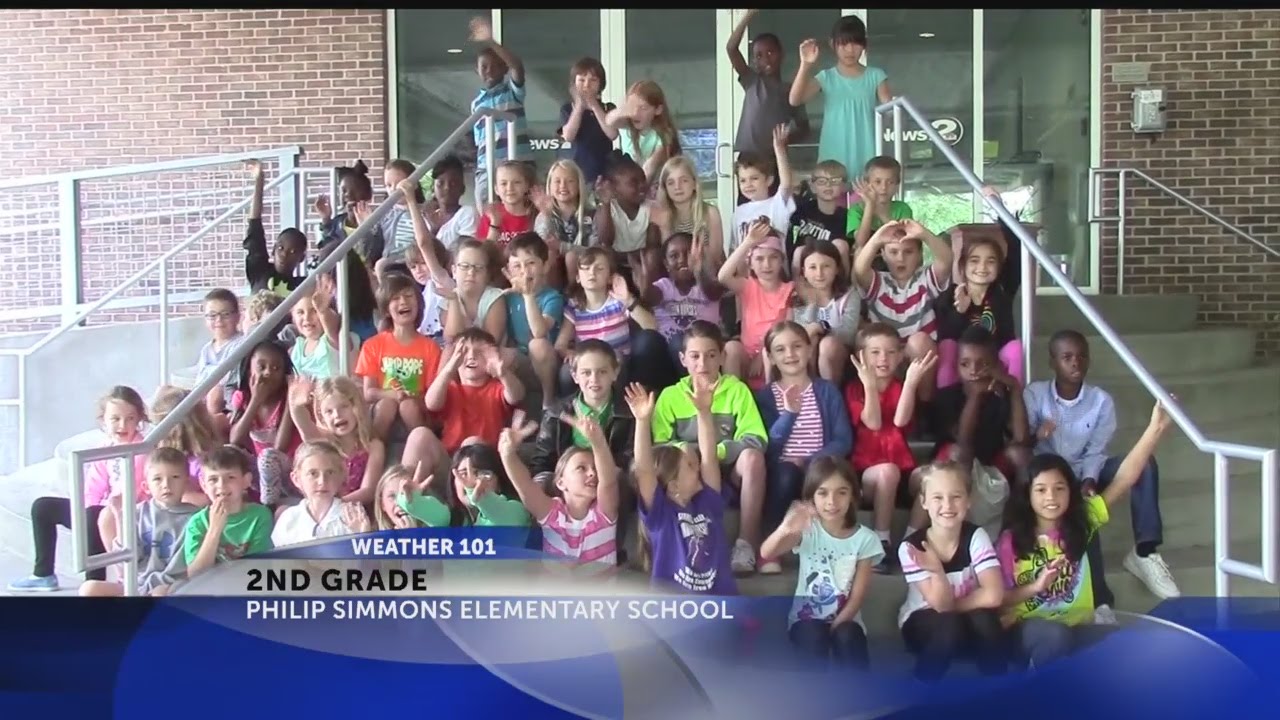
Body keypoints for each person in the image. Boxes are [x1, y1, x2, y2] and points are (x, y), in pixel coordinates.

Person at [998, 401, 1172, 667]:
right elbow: (1000, 599)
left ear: (1071, 492)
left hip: (1077, 627)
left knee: (1133, 644)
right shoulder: (1011, 539)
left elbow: (1124, 479)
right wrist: (1036, 587)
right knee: (1056, 638)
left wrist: (1155, 428)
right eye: (1041, 490)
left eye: (1059, 488)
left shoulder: (1082, 522)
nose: (1051, 497)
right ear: (1028, 495)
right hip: (1030, 630)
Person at [1024, 330, 1180, 606]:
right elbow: (1022, 443)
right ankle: (1100, 600)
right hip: (1052, 479)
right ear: (1052, 362)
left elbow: (1096, 451)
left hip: (1084, 471)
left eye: (1082, 356)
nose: (1075, 363)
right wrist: (1038, 435)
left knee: (1144, 465)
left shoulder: (1101, 401)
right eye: (1067, 357)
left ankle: (1145, 552)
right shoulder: (1035, 395)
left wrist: (1089, 480)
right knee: (1084, 515)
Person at [7, 386, 148, 592]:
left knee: (92, 515)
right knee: (43, 507)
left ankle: (94, 582)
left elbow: (135, 494)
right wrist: (82, 512)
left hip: (122, 515)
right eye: (115, 418)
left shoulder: (142, 449)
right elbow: (93, 487)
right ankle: (43, 574)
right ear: (104, 420)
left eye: (130, 418)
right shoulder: (105, 447)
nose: (122, 425)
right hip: (98, 510)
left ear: (139, 420)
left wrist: (93, 512)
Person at [653, 321, 767, 575]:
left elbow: (756, 439)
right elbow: (660, 445)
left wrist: (717, 452)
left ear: (723, 357)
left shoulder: (737, 390)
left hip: (729, 469)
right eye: (694, 356)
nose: (702, 364)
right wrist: (689, 451)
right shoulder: (670, 396)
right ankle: (684, 544)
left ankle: (746, 544)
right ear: (683, 359)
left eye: (711, 355)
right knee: (677, 460)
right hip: (690, 471)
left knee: (753, 459)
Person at [761, 457, 881, 669]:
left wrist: (836, 628)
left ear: (854, 495)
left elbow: (857, 597)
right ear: (811, 498)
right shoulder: (808, 530)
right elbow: (766, 552)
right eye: (823, 493)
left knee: (848, 637)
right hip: (805, 618)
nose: (832, 502)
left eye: (841, 492)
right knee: (813, 638)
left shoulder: (866, 539)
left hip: (847, 617)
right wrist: (786, 528)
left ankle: (859, 696)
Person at [754, 321, 854, 574]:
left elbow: (843, 440)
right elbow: (768, 444)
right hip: (781, 469)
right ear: (771, 358)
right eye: (781, 349)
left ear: (810, 350)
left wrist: (811, 460)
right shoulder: (765, 397)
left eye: (797, 346)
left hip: (819, 466)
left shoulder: (827, 391)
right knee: (787, 474)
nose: (790, 354)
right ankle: (770, 548)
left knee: (828, 479)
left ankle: (829, 547)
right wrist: (789, 413)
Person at [898, 461, 1007, 682]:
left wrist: (958, 607)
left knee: (985, 619)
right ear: (924, 502)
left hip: (962, 618)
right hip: (922, 624)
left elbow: (994, 594)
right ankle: (922, 685)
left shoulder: (976, 536)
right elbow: (941, 606)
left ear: (968, 501)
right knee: (950, 623)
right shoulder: (911, 547)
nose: (947, 505)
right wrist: (937, 570)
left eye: (956, 496)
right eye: (937, 497)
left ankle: (998, 685)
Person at [628, 380, 736, 595]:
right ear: (673, 485)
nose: (697, 468)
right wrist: (642, 421)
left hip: (722, 607)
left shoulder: (707, 502)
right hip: (676, 611)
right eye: (688, 466)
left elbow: (710, 458)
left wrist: (704, 412)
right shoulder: (661, 516)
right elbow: (644, 471)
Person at [846, 324, 936, 571]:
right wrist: (870, 386)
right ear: (861, 356)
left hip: (901, 466)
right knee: (887, 471)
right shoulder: (855, 389)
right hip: (868, 474)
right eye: (875, 352)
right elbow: (873, 422)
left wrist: (910, 383)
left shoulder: (899, 387)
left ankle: (910, 542)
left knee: (934, 477)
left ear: (900, 356)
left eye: (890, 352)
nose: (883, 359)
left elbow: (900, 422)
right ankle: (880, 541)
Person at [498, 408, 620, 571]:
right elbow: (525, 486)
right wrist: (508, 454)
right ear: (561, 483)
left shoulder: (603, 512)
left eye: (595, 469)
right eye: (581, 468)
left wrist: (598, 441)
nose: (592, 473)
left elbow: (609, 482)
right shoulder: (552, 513)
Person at [79, 447, 201, 597]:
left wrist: (146, 590)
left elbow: (179, 570)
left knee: (159, 594)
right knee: (89, 589)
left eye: (175, 477)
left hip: (169, 585)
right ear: (146, 486)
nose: (166, 485)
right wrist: (119, 517)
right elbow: (126, 560)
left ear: (186, 483)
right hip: (136, 583)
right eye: (157, 479)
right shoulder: (138, 512)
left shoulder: (194, 518)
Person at [853, 220, 952, 401]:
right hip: (885, 356)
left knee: (920, 341)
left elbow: (946, 261)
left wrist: (924, 234)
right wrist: (876, 240)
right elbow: (860, 270)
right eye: (893, 252)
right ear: (882, 254)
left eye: (908, 252)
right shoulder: (879, 282)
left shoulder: (924, 279)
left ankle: (925, 407)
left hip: (916, 357)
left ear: (920, 255)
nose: (900, 258)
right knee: (871, 343)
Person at [789, 15, 892, 185]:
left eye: (855, 43)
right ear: (833, 45)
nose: (850, 50)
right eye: (843, 44)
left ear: (864, 45)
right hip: (833, 155)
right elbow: (795, 100)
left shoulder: (876, 76)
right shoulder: (826, 77)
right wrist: (805, 65)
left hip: (866, 153)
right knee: (833, 206)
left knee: (864, 206)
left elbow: (889, 109)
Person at [936, 217, 1024, 388]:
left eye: (990, 261)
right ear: (963, 265)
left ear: (999, 268)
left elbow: (1017, 255)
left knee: (1015, 348)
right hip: (963, 361)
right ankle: (945, 400)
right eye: (974, 261)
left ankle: (1014, 397)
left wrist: (1002, 214)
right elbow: (945, 336)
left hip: (994, 357)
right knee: (947, 347)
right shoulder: (951, 294)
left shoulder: (1002, 291)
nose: (982, 267)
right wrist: (960, 311)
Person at [355, 273, 442, 439]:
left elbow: (431, 396)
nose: (403, 301)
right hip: (383, 407)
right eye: (395, 298)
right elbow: (369, 392)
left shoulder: (430, 347)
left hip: (417, 410)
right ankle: (374, 450)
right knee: (387, 405)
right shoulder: (373, 345)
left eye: (409, 296)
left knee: (407, 406)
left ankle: (420, 450)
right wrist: (394, 395)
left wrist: (408, 397)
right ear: (386, 309)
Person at [287, 376, 386, 507]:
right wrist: (297, 406)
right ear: (322, 416)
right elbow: (303, 425)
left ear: (356, 407)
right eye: (329, 411)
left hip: (354, 509)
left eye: (344, 406)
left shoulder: (373, 446)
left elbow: (368, 491)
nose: (337, 415)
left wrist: (335, 505)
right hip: (321, 507)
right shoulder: (323, 441)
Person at [726, 9, 810, 161]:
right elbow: (731, 48)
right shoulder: (751, 80)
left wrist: (785, 140)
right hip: (748, 157)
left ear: (781, 54)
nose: (765, 59)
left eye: (770, 52)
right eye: (759, 55)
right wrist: (748, 14)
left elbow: (805, 129)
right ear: (754, 62)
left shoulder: (791, 90)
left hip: (775, 158)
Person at [719, 219, 795, 382]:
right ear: (750, 263)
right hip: (746, 357)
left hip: (776, 355)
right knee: (731, 348)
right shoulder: (747, 286)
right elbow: (723, 276)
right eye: (759, 259)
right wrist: (748, 243)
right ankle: (732, 401)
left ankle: (771, 400)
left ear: (781, 261)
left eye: (773, 258)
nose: (767, 264)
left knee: (775, 353)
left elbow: (787, 329)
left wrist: (762, 355)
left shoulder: (790, 289)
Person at [184, 445, 274, 580]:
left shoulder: (260, 516)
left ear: (246, 481)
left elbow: (257, 570)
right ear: (203, 485)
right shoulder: (197, 523)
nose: (221, 485)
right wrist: (214, 530)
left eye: (230, 477)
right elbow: (195, 575)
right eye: (213, 479)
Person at [228, 340, 299, 506]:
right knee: (229, 452)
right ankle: (231, 504)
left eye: (276, 369)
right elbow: (235, 439)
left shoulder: (289, 399)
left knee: (268, 456)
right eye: (262, 367)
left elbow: (280, 448)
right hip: (261, 475)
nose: (268, 373)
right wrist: (256, 400)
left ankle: (269, 508)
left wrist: (291, 399)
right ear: (250, 369)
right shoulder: (243, 397)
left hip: (290, 472)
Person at [468, 16, 531, 198]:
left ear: (505, 69)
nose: (489, 70)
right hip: (488, 168)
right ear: (476, 70)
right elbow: (479, 142)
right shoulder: (476, 104)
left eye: (496, 66)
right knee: (485, 205)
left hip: (519, 164)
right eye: (484, 67)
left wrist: (490, 41)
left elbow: (517, 67)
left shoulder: (512, 92)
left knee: (524, 208)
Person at [397, 444, 532, 529]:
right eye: (463, 473)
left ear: (500, 481)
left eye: (483, 473)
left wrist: (481, 496)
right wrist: (413, 501)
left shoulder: (517, 511)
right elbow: (437, 514)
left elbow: (503, 515)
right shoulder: (453, 519)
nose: (471, 479)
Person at [642, 231, 725, 370]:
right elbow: (648, 297)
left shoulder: (706, 284)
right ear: (666, 264)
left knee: (680, 341)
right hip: (665, 355)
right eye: (674, 256)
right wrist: (648, 269)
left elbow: (714, 292)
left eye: (688, 253)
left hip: (701, 354)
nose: (681, 260)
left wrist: (699, 268)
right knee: (646, 339)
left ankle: (693, 388)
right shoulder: (664, 286)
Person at [271, 440, 372, 547]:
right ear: (296, 479)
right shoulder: (289, 519)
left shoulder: (353, 517)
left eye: (330, 472)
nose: (322, 481)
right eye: (313, 473)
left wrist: (363, 537)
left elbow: (367, 561)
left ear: (341, 476)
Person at [504, 231, 565, 407]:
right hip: (520, 362)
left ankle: (549, 400)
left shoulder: (552, 297)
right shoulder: (507, 297)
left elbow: (539, 332)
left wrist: (528, 296)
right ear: (508, 271)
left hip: (547, 363)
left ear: (545, 266)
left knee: (537, 344)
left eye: (531, 263)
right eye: (517, 266)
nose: (524, 271)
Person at [792, 240, 860, 382]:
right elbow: (799, 331)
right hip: (808, 352)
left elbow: (848, 333)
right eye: (812, 267)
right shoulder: (798, 296)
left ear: (837, 269)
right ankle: (808, 389)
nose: (819, 273)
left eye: (826, 266)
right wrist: (812, 302)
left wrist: (822, 327)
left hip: (840, 354)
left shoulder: (849, 295)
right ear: (804, 271)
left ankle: (830, 394)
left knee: (826, 344)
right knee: (810, 339)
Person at [243, 159, 307, 298]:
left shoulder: (302, 287)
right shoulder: (259, 271)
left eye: (293, 251)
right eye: (280, 248)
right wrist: (259, 180)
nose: (284, 255)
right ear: (273, 250)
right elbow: (255, 224)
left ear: (301, 258)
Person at [729, 125, 795, 256]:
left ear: (769, 180)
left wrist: (779, 149)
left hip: (774, 270)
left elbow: (786, 184)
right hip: (747, 274)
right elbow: (734, 248)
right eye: (743, 180)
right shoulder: (739, 212)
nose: (748, 184)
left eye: (754, 178)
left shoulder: (777, 203)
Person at [605, 80, 682, 183]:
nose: (636, 113)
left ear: (658, 110)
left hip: (648, 185)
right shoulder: (627, 125)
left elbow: (650, 168)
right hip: (627, 184)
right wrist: (625, 110)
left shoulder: (662, 135)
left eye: (643, 108)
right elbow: (609, 121)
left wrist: (636, 188)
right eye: (633, 107)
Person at [287, 272, 360, 380]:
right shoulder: (297, 350)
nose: (307, 317)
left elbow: (331, 327)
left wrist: (322, 311)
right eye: (300, 312)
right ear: (292, 317)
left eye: (313, 311)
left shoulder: (333, 339)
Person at [558, 57, 616, 186]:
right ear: (574, 84)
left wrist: (594, 105)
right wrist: (579, 106)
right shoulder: (568, 109)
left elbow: (612, 134)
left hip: (604, 171)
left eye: (593, 80)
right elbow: (568, 136)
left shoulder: (608, 108)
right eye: (582, 80)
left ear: (601, 84)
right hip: (576, 172)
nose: (586, 85)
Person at [443, 239, 506, 345]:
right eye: (464, 266)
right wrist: (454, 301)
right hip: (458, 352)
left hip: (490, 353)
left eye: (479, 268)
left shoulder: (494, 297)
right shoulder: (448, 297)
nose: (471, 272)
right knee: (448, 352)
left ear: (487, 274)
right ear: (454, 271)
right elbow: (451, 340)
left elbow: (491, 341)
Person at [847, 156, 914, 258]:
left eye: (890, 182)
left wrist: (881, 213)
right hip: (868, 261)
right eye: (878, 182)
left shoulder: (902, 208)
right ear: (867, 184)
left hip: (895, 258)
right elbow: (861, 242)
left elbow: (903, 241)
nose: (883, 187)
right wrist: (870, 206)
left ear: (897, 186)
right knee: (859, 251)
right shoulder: (856, 210)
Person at [789, 160, 849, 270]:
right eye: (822, 181)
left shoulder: (846, 217)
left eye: (834, 181)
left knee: (841, 245)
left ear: (844, 186)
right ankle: (797, 286)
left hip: (829, 267)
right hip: (803, 264)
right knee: (799, 251)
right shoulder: (801, 209)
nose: (828, 185)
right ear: (812, 186)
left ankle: (843, 286)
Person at [477, 161, 537, 251]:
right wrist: (494, 225)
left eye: (516, 182)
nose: (510, 188)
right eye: (504, 183)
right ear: (496, 189)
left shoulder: (536, 214)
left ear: (526, 186)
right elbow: (483, 254)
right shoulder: (491, 215)